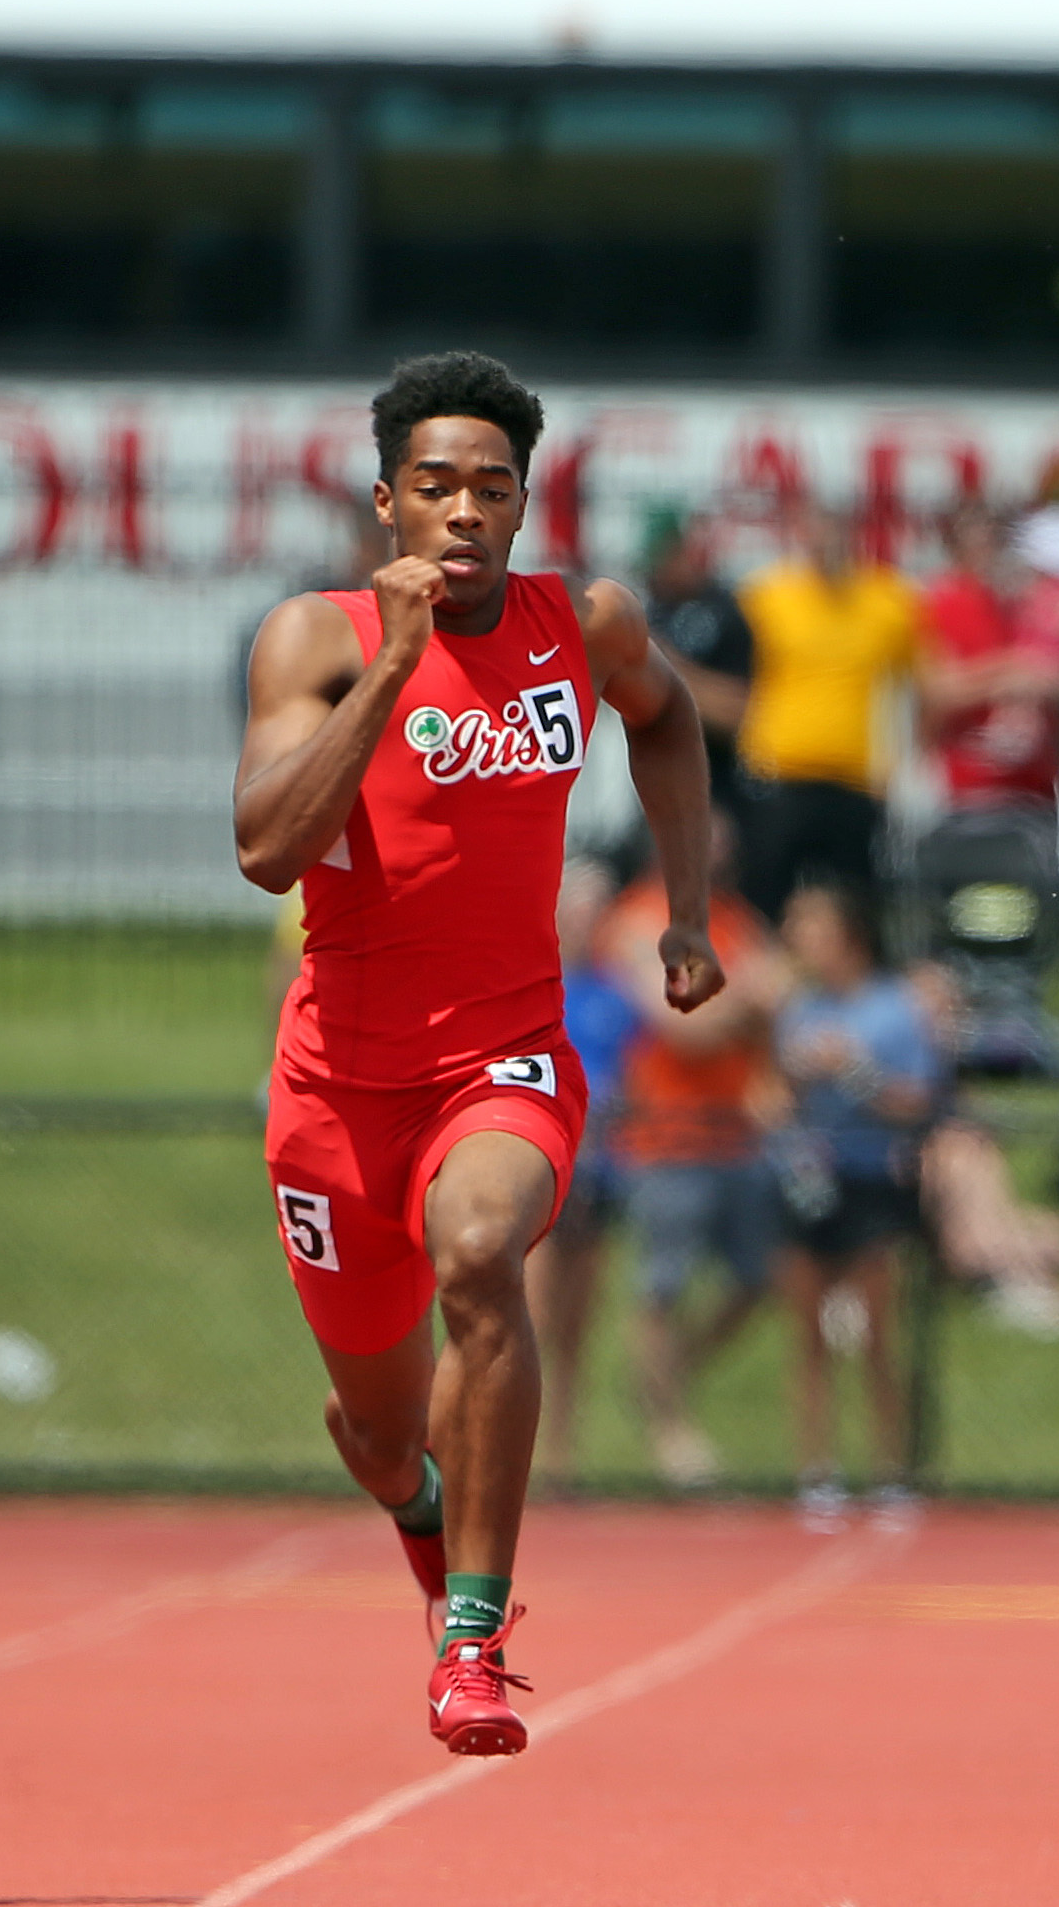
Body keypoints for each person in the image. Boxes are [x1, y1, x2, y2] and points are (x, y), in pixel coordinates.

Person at [234, 351, 723, 1758]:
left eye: (490, 489)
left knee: (479, 1251)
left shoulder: (590, 624)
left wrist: (683, 912)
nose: (462, 511)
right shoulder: (313, 641)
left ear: (524, 505)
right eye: (434, 486)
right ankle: (421, 1521)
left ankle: (474, 1636)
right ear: (387, 502)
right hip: (336, 1092)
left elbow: (672, 719)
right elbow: (266, 849)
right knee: (387, 1436)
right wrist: (392, 666)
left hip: (502, 1061)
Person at [598, 827, 770, 1487]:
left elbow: (779, 992)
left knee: (758, 1278)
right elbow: (678, 1024)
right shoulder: (639, 920)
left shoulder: (736, 919)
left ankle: (667, 1377)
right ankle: (669, 1429)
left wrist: (725, 1010)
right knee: (661, 1287)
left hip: (737, 1133)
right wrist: (740, 1009)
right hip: (666, 1137)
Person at [769, 880, 937, 1528]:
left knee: (875, 1332)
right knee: (807, 1332)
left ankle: (891, 1471)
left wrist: (855, 1070)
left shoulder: (895, 1009)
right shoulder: (799, 1008)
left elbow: (915, 1102)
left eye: (810, 926)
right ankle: (817, 1471)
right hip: (812, 1178)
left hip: (873, 1179)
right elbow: (779, 1087)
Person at [730, 498, 908, 926]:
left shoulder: (887, 601)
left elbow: (922, 685)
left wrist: (904, 761)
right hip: (781, 772)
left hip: (853, 775)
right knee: (765, 901)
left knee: (856, 905)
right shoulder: (767, 598)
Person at [523, 848, 638, 1491]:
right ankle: (529, 1450)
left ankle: (562, 1447)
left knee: (574, 1323)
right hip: (545, 1162)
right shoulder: (538, 986)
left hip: (599, 1169)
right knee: (532, 1316)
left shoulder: (615, 992)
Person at [916, 502, 1059, 817]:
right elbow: (939, 691)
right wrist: (1010, 669)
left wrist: (1046, 679)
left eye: (997, 540)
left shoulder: (1026, 600)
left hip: (1039, 783)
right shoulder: (940, 603)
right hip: (969, 785)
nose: (989, 551)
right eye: (977, 542)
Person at [637, 510, 756, 805]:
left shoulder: (725, 610)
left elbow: (741, 713)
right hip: (658, 782)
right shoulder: (654, 611)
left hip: (721, 784)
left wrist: (669, 671)